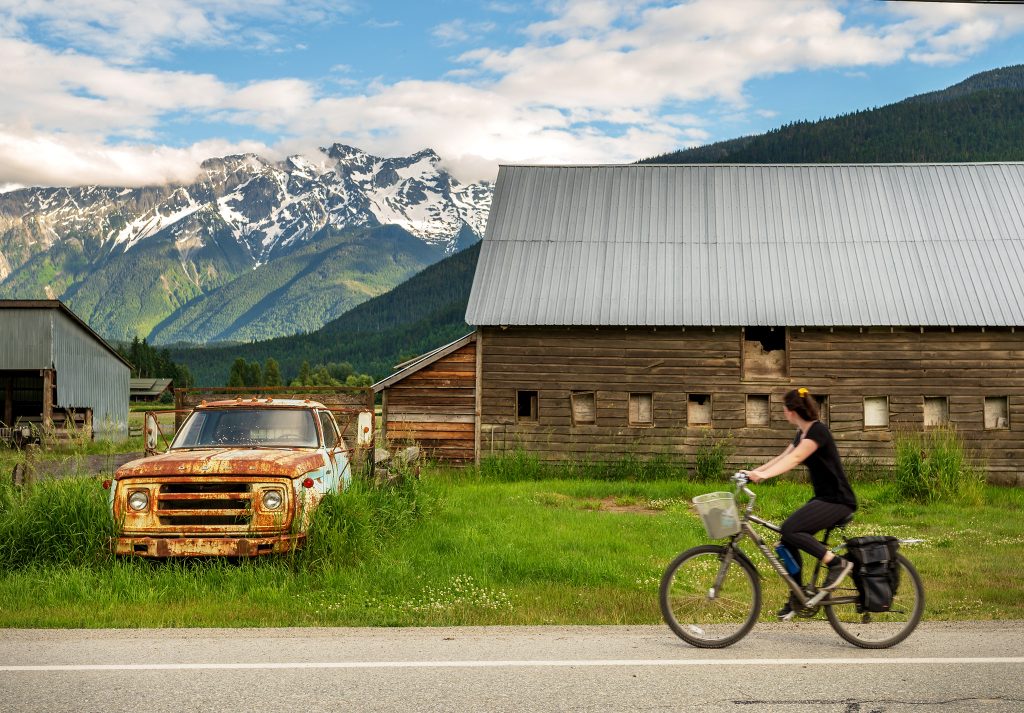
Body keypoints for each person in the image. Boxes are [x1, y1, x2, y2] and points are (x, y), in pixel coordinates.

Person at [743, 387, 857, 619]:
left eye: (785, 408)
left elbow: (795, 459)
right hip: (824, 499)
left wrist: (764, 477)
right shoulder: (802, 433)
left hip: (839, 500)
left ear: (793, 411)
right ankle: (798, 596)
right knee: (788, 539)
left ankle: (837, 563)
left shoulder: (818, 432)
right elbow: (783, 457)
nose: (783, 412)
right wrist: (754, 472)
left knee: (790, 529)